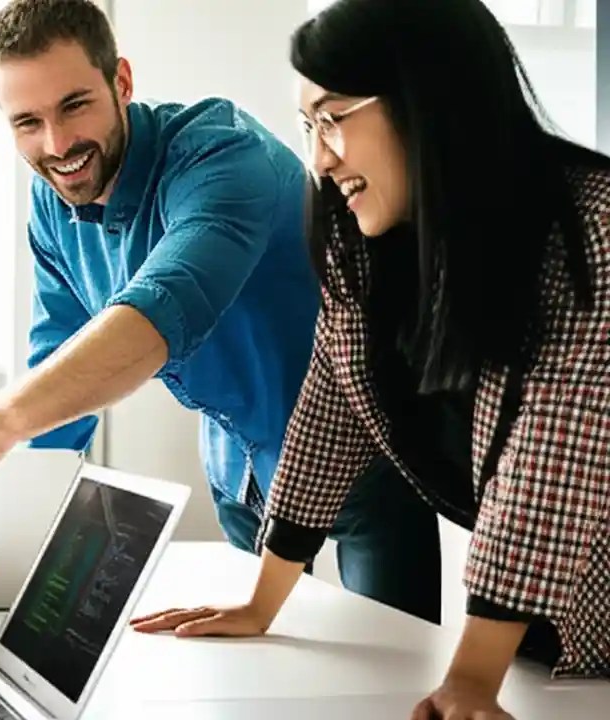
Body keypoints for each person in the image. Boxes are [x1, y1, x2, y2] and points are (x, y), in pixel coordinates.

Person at [0, 0, 442, 623]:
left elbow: (161, 307)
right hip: (240, 468)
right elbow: (57, 365)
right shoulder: (52, 203)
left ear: (122, 82)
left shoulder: (224, 158)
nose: (57, 144)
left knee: (392, 668)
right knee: (265, 660)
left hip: (364, 458)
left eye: (74, 105)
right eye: (27, 121)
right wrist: (9, 551)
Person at [131, 0, 610, 716]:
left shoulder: (591, 228)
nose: (319, 158)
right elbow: (330, 411)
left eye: (333, 119)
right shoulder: (369, 244)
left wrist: (472, 678)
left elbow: (550, 458)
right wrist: (262, 602)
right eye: (308, 127)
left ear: (428, 99)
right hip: (551, 635)